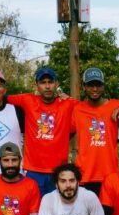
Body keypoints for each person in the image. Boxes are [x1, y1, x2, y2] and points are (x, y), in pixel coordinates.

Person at [7, 67, 77, 196]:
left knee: (59, 208)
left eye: (50, 82)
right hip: (33, 170)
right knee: (34, 207)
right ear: (36, 85)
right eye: (43, 82)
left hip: (58, 171)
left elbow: (90, 110)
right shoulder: (27, 100)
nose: (47, 86)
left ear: (57, 84)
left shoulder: (68, 104)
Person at [72, 68, 119, 196]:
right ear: (84, 87)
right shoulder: (77, 109)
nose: (95, 89)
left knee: (108, 209)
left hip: (110, 174)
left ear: (103, 86)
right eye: (90, 85)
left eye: (98, 85)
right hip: (85, 174)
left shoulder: (116, 105)